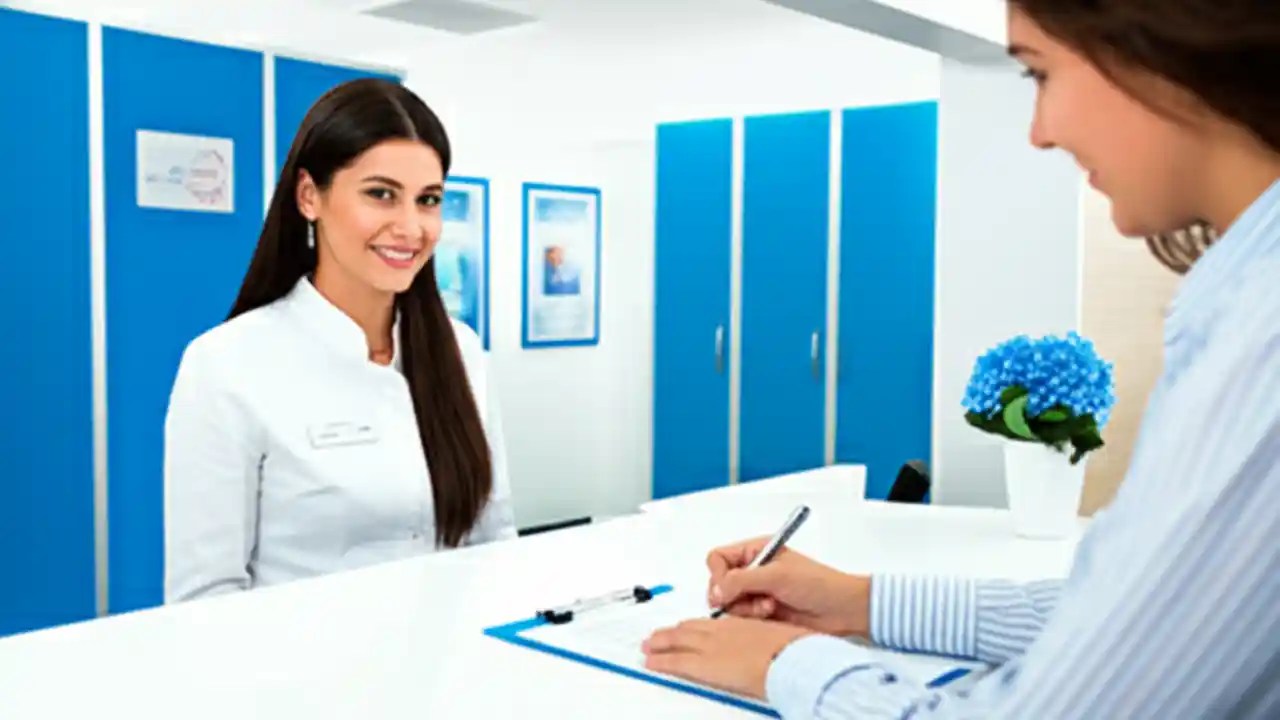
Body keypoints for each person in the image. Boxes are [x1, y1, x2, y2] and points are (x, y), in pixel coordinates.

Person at [642, 2, 1280, 717]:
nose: (1040, 133)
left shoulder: (1263, 342)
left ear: (1163, 42)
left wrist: (791, 667)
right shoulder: (1246, 307)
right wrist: (861, 602)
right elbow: (1152, 616)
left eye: (1039, 72)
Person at [163, 78, 516, 603]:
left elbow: (495, 542)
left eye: (428, 200)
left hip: (450, 668)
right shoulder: (227, 364)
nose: (411, 226)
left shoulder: (460, 350)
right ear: (310, 196)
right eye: (381, 195)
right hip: (299, 678)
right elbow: (205, 597)